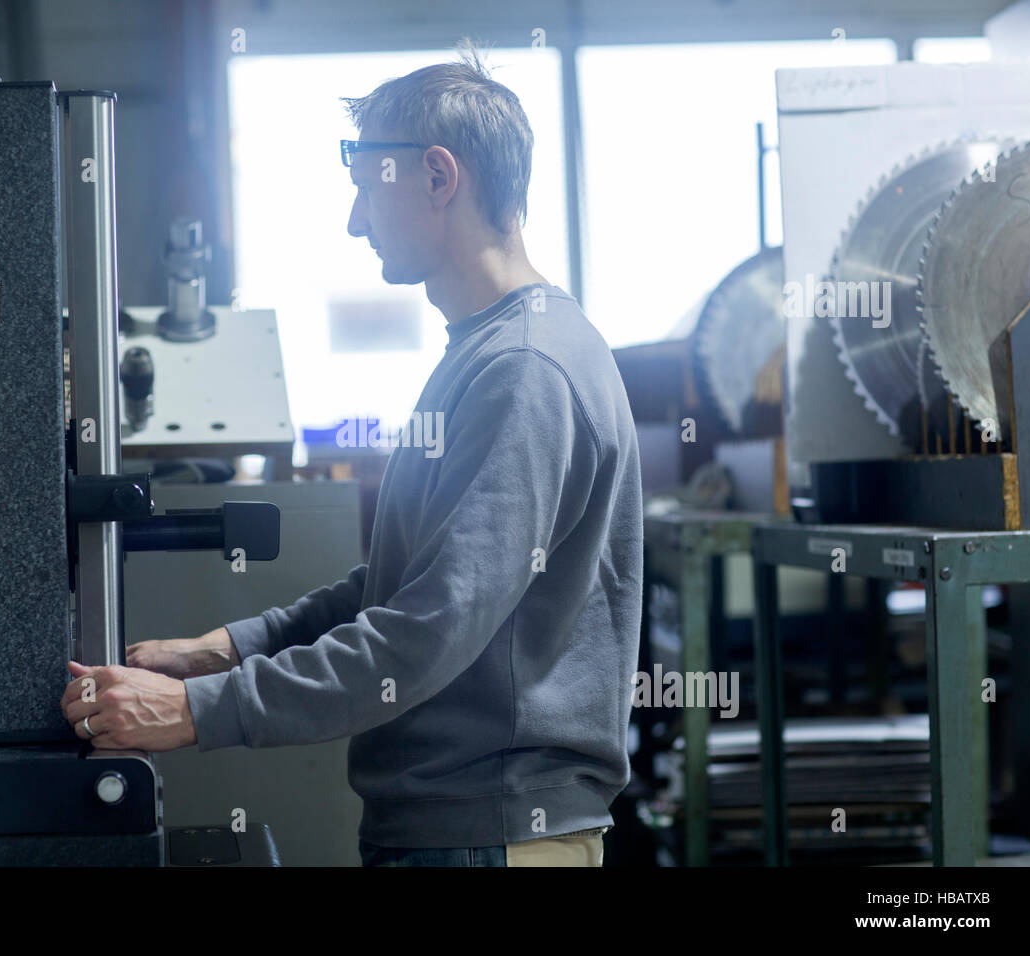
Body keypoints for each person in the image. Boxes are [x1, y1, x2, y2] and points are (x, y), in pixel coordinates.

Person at [61, 43, 642, 868]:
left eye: (369, 185)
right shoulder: (488, 352)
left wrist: (196, 710)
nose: (356, 220)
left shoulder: (524, 370)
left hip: (494, 834)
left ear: (439, 178)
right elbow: (399, 586)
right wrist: (228, 647)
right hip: (461, 830)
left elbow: (424, 632)